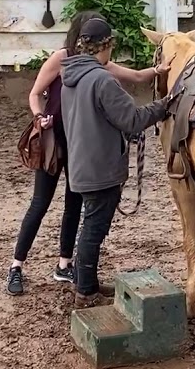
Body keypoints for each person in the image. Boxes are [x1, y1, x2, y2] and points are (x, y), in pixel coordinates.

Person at [7, 11, 168, 296]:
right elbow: (35, 94)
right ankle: (17, 266)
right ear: (102, 44)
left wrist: (157, 71)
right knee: (41, 204)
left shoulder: (83, 69)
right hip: (57, 140)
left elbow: (134, 76)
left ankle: (66, 266)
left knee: (75, 207)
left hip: (78, 142)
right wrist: (39, 117)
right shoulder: (69, 63)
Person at [60, 18, 174, 308]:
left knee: (89, 226)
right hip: (101, 169)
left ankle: (85, 281)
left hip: (82, 165)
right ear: (107, 45)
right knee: (94, 230)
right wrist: (164, 105)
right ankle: (85, 290)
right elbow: (132, 119)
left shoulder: (71, 78)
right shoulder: (102, 80)